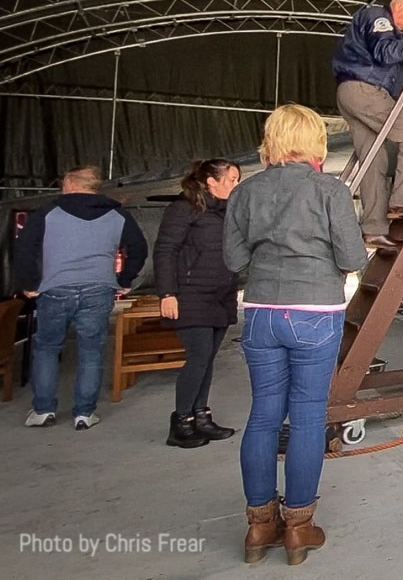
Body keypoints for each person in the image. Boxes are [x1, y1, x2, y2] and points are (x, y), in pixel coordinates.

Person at [225, 104, 368, 565]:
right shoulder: (331, 190)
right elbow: (353, 259)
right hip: (315, 312)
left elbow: (234, 261)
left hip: (261, 312)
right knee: (306, 418)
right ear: (315, 143)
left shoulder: (245, 192)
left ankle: (259, 527)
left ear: (272, 141)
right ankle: (299, 529)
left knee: (263, 416)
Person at [13, 165, 148, 429]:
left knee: (47, 348)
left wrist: (29, 283)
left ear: (71, 183)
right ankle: (84, 414)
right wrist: (124, 279)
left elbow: (24, 248)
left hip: (55, 289)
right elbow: (139, 248)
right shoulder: (118, 215)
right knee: (91, 351)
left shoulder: (48, 212)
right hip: (99, 289)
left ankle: (43, 410)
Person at [332, 0, 403, 251]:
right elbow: (385, 52)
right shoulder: (378, 18)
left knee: (374, 160)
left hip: (352, 92)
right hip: (365, 91)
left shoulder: (388, 30)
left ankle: (373, 230)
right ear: (399, 6)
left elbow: (388, 53)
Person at [154, 158, 241, 449]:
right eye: (231, 180)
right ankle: (181, 422)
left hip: (221, 294)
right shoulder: (184, 208)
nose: (235, 185)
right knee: (199, 356)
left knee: (208, 358)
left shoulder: (228, 211)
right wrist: (167, 293)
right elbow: (165, 250)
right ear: (211, 182)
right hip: (191, 294)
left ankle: (201, 416)